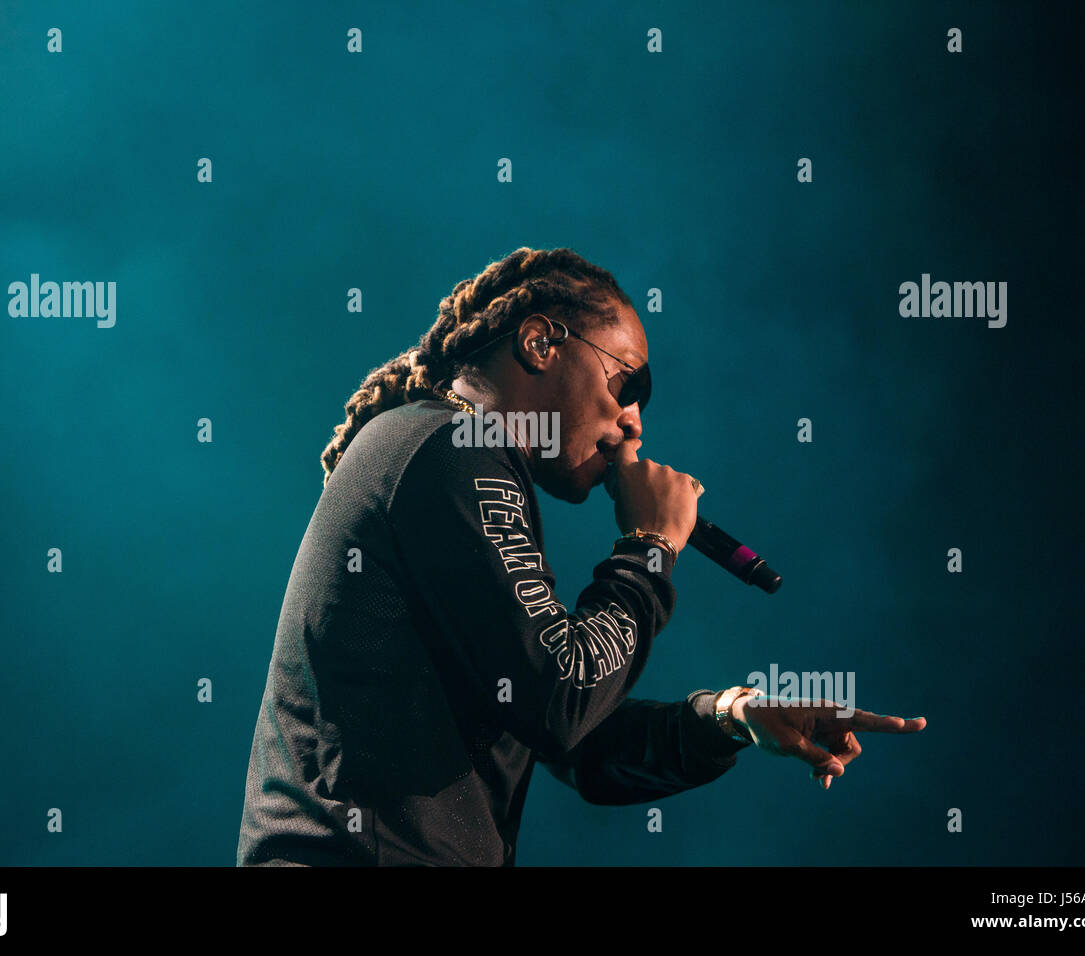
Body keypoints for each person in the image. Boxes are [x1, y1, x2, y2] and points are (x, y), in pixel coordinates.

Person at [236, 246, 926, 866]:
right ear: (540, 341)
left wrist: (732, 716)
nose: (634, 424)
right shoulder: (452, 449)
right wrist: (650, 546)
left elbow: (579, 744)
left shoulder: (441, 456)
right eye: (628, 384)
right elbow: (562, 697)